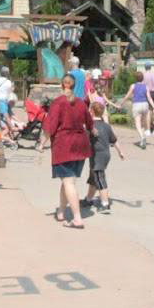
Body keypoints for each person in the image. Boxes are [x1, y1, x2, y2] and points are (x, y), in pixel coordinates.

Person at [45, 86, 93, 229]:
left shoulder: (58, 103)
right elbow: (90, 122)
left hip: (64, 145)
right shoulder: (81, 103)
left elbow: (50, 126)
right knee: (68, 181)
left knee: (68, 182)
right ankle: (61, 211)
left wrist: (42, 143)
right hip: (80, 145)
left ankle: (77, 219)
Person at [81, 99, 125, 213]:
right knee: (93, 178)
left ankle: (105, 204)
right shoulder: (106, 126)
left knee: (99, 179)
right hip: (104, 155)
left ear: (91, 112)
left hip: (98, 157)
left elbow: (83, 140)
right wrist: (120, 152)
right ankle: (88, 199)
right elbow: (114, 140)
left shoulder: (90, 127)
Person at [123, 70, 152, 148]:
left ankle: (142, 137)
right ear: (142, 78)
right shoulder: (146, 86)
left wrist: (121, 103)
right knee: (142, 123)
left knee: (137, 123)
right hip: (145, 105)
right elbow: (149, 97)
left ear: (136, 78)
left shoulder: (133, 86)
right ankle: (143, 139)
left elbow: (127, 96)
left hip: (137, 105)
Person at [0, 66, 16, 132]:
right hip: (4, 99)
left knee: (2, 115)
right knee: (6, 114)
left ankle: (7, 130)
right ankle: (11, 127)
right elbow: (11, 90)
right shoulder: (8, 82)